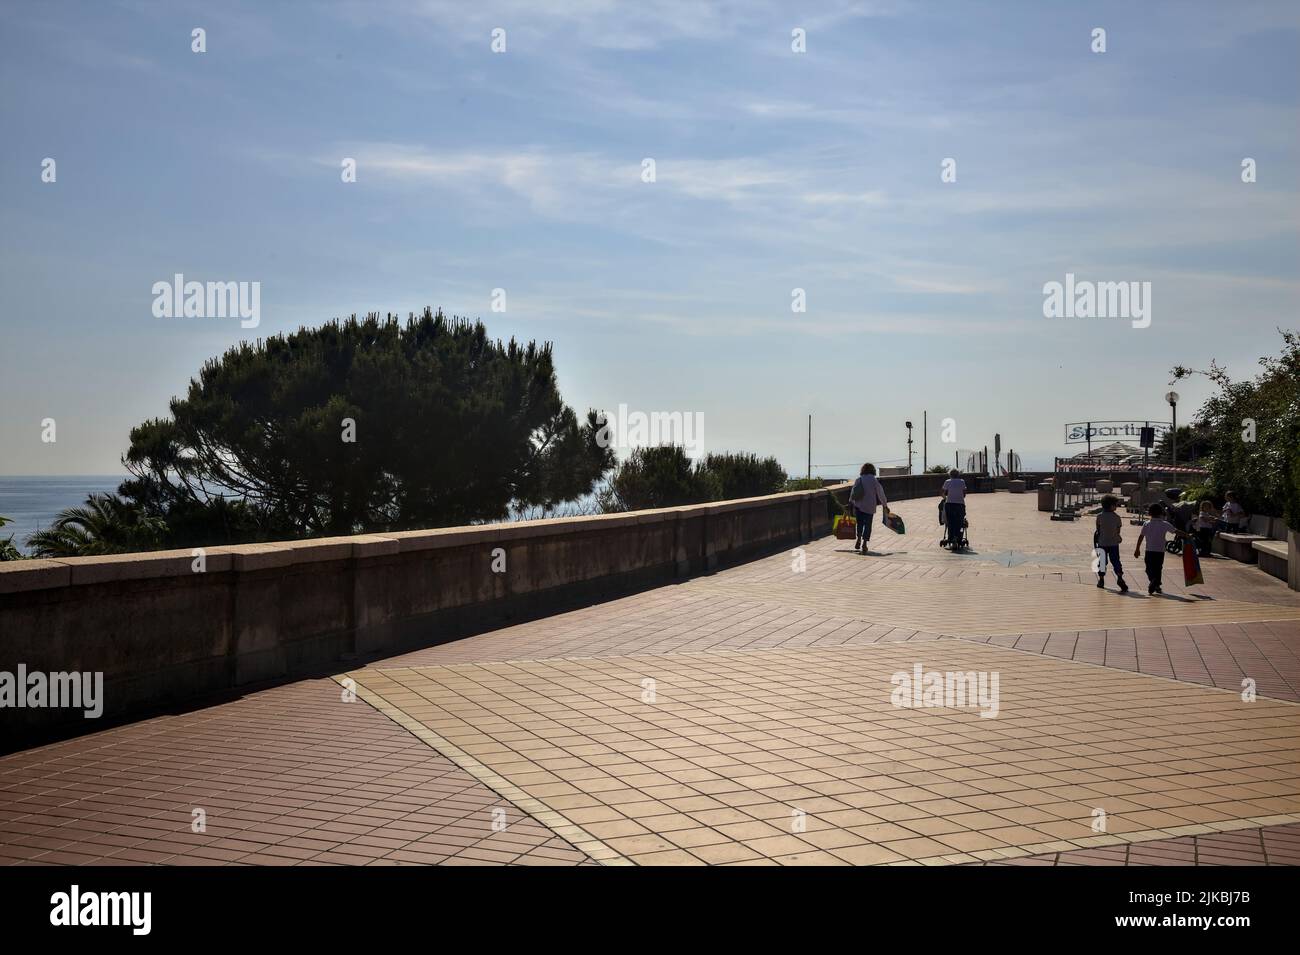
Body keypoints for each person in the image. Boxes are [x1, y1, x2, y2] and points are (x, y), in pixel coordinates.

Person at [1134, 503, 1187, 595]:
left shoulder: (1147, 524)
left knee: (1148, 568)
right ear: (1161, 513)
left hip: (1149, 550)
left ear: (1149, 513)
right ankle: (1156, 584)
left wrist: (1137, 549)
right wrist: (1187, 535)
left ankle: (1153, 580)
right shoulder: (1165, 524)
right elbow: (1176, 531)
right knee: (1158, 568)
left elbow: (1141, 537)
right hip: (1160, 551)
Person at [848, 462, 890, 554]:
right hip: (870, 506)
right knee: (868, 525)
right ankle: (864, 544)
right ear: (873, 470)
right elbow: (880, 493)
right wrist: (885, 505)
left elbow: (853, 492)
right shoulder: (874, 480)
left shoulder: (859, 479)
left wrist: (850, 501)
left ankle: (858, 537)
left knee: (859, 523)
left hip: (858, 505)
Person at [1094, 494, 1128, 592]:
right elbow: (1118, 531)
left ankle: (1101, 580)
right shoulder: (1117, 517)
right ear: (1111, 506)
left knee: (1102, 562)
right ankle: (1120, 578)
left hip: (1102, 543)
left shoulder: (1099, 516)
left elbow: (1098, 529)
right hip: (1113, 544)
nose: (1116, 506)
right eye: (1115, 504)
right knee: (1116, 561)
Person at [939, 469, 966, 547]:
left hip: (949, 504)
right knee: (960, 521)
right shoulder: (962, 481)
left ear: (950, 475)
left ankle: (950, 537)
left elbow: (942, 492)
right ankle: (958, 537)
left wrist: (945, 498)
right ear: (958, 475)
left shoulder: (947, 481)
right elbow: (964, 494)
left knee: (950, 522)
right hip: (960, 504)